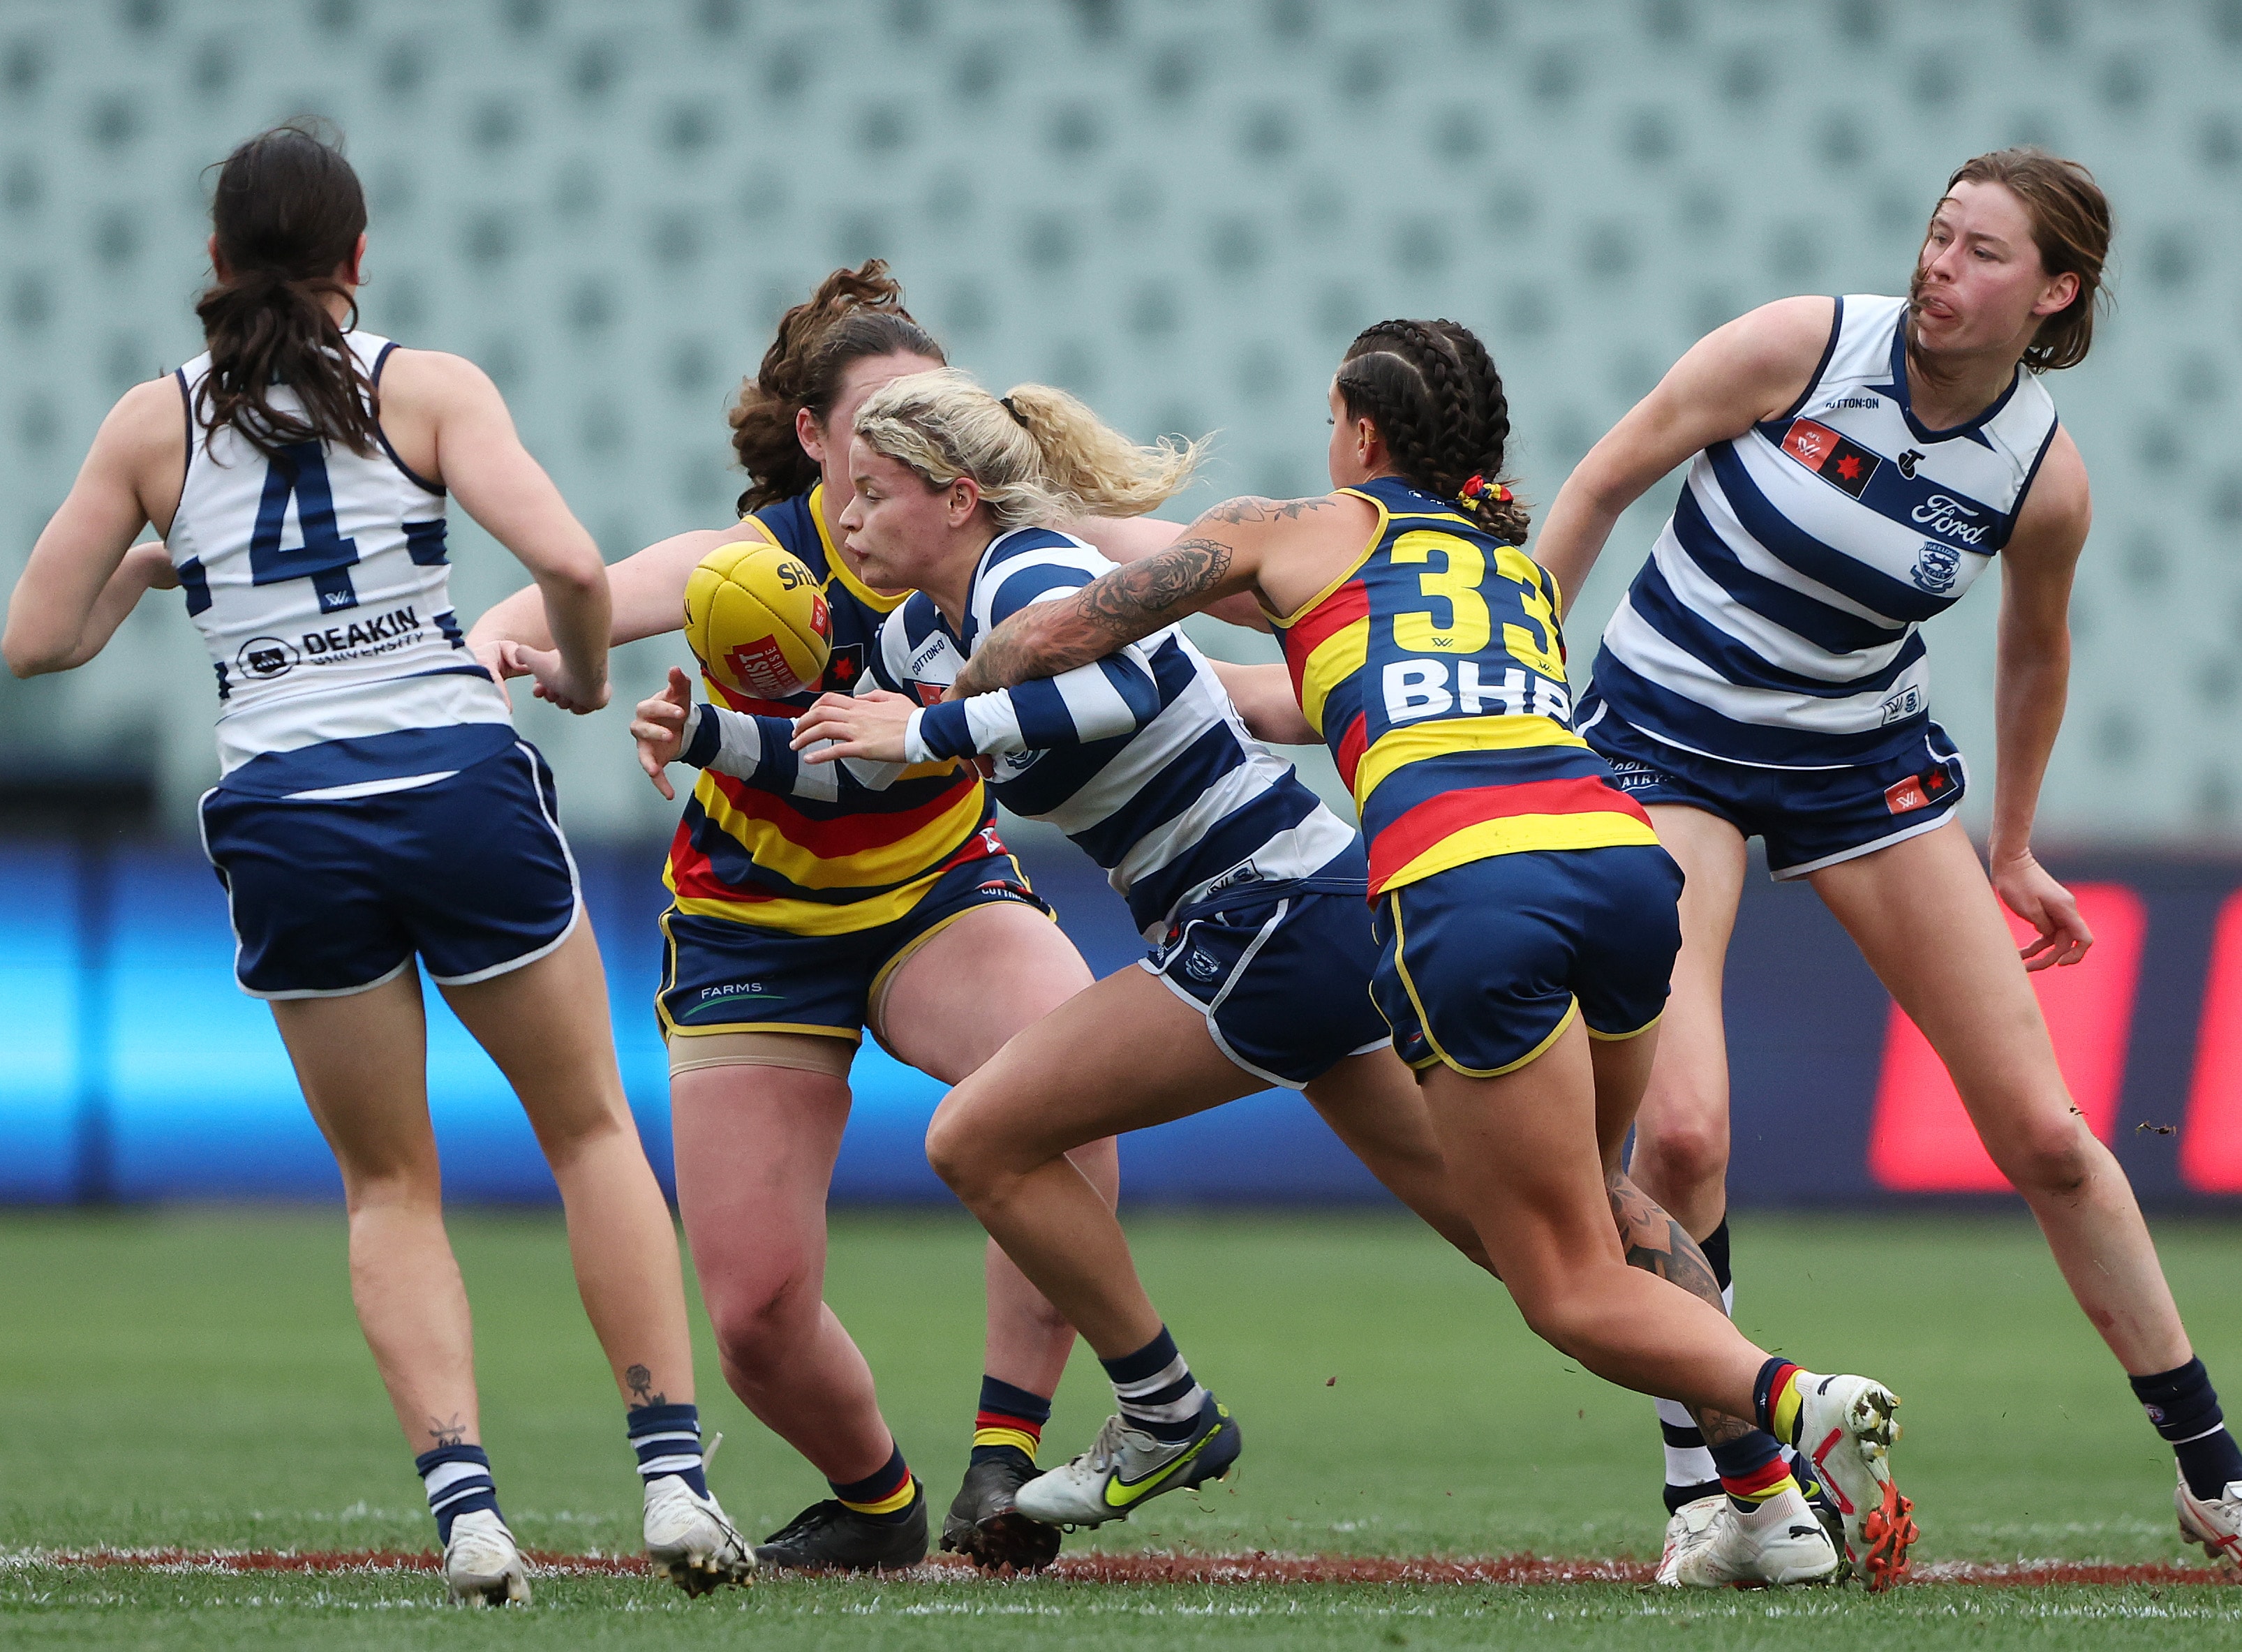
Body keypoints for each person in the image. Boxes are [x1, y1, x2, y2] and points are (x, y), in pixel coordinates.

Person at [935, 321, 1922, 1590]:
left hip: (1470, 888)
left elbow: (1061, 633)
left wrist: (937, 710)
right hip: (1621, 870)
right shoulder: (1497, 561)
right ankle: (1763, 1512)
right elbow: (1305, 698)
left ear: (1360, 427)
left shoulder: (1289, 524)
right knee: (1615, 1210)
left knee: (1561, 1280)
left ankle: (1800, 1408)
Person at [0, 124, 744, 1605]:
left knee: (387, 1180)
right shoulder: (428, 385)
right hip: (454, 783)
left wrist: (156, 567)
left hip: (286, 809)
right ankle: (670, 1481)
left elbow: (29, 643)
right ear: (358, 259)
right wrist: (589, 681)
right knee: (590, 1129)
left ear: (214, 265)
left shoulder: (154, 427)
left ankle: (471, 1516)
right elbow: (581, 572)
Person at [1531, 147, 2242, 1570]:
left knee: (2046, 1133)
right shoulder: (1801, 347)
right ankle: (1728, 1495)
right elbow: (1606, 477)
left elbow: (2034, 649)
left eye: (1981, 252)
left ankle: (2211, 1473)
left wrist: (2018, 843)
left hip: (1859, 762)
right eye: (1936, 236)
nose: (1939, 267)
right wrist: (1519, 692)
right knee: (1678, 1135)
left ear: (2054, 294)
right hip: (1662, 737)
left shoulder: (2039, 476)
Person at [468, 265, 1112, 1573]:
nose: (910, 444)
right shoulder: (742, 569)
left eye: (933, 415)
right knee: (757, 1317)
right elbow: (571, 594)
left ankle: (1006, 1455)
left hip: (936, 892)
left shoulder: (994, 550)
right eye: (878, 420)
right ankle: (878, 1500)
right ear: (813, 438)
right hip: (755, 926)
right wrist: (509, 650)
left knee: (1068, 1072)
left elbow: (1180, 572)